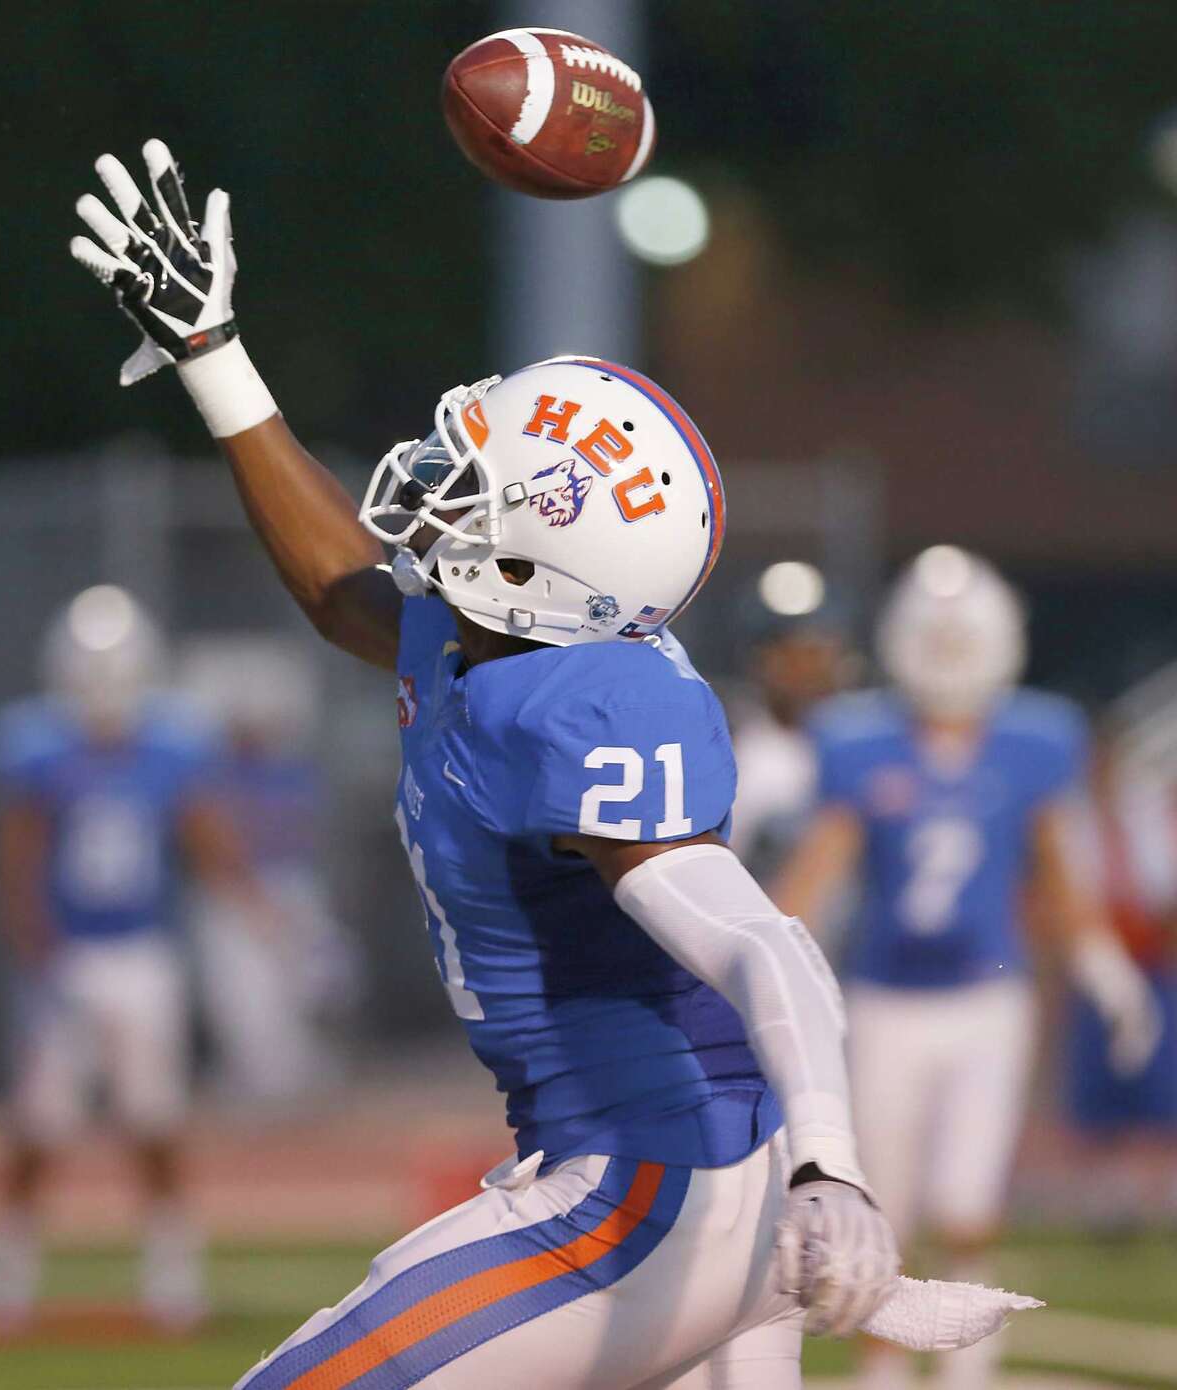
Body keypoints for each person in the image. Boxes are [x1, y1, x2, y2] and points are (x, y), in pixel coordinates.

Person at [70, 139, 902, 1389]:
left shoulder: (576, 704)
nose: (436, 487)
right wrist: (215, 357)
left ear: (534, 571)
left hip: (648, 1192)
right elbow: (336, 585)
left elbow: (763, 943)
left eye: (475, 490)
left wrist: (835, 1162)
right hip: (664, 1167)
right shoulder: (489, 642)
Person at [773, 545, 1162, 1390]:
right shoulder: (861, 740)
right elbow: (817, 875)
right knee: (884, 1210)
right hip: (884, 1002)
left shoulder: (1034, 738)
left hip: (990, 1003)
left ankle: (967, 1374)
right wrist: (755, 952)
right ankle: (881, 1373)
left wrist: (1104, 968)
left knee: (969, 1204)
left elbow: (1061, 873)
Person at [0, 585, 259, 1330]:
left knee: (154, 1122)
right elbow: (19, 858)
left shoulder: (171, 743)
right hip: (68, 958)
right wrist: (37, 946)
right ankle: (6, 1281)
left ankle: (173, 1281)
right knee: (38, 1127)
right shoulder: (36, 745)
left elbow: (207, 837)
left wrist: (264, 911)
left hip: (142, 955)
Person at [180, 636, 359, 1105]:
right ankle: (259, 1095)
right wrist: (248, 897)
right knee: (246, 1009)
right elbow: (212, 845)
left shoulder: (293, 769)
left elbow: (301, 845)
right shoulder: (210, 772)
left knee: (323, 985)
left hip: (290, 890)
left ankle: (302, 1084)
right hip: (236, 897)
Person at [1064, 727, 1177, 1232]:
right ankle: (1107, 1199)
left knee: (1157, 1082)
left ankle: (1157, 1191)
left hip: (1151, 962)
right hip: (1096, 966)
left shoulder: (1150, 813)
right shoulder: (1067, 817)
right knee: (1098, 1084)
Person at [730, 609, 856, 883]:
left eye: (816, 656)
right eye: (791, 658)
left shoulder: (864, 749)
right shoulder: (737, 755)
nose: (806, 672)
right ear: (764, 664)